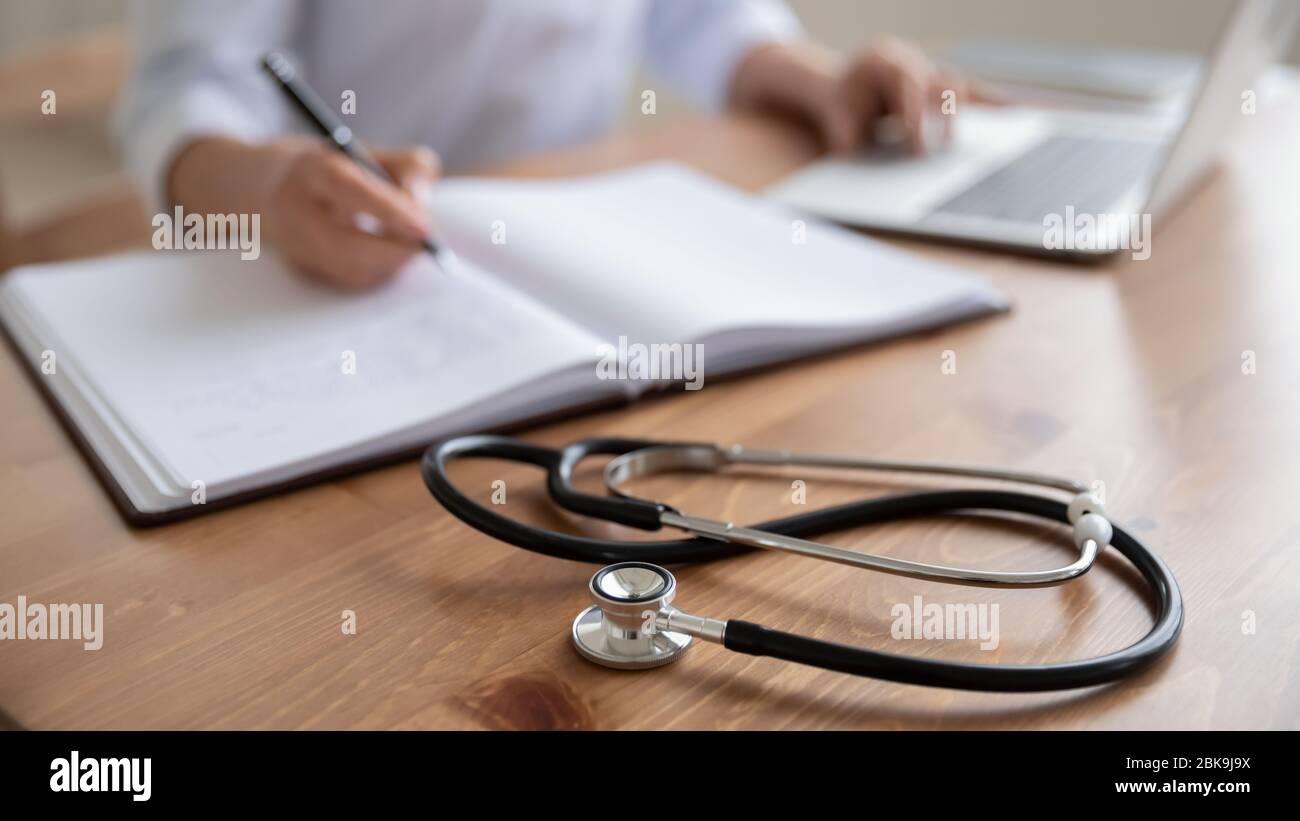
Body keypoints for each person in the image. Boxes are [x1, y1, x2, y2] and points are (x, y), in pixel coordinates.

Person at [118, 0, 971, 289]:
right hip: (324, 266)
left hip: (571, 244)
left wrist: (806, 75)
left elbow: (693, 12)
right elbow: (187, 82)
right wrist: (267, 188)